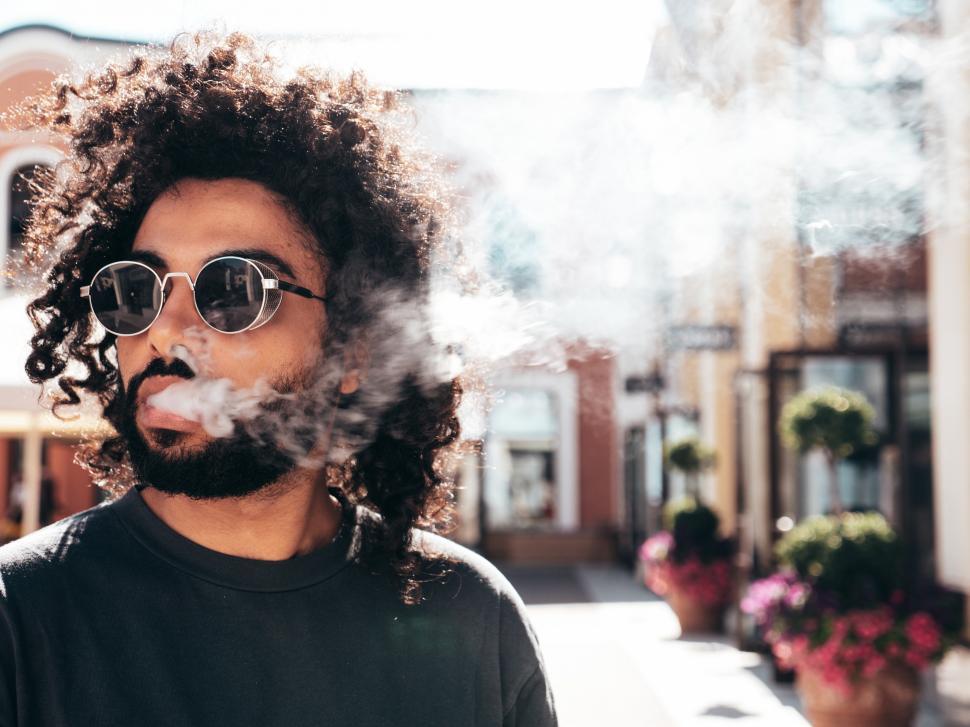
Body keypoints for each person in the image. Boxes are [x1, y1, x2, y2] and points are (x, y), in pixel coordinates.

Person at [0, 31, 558, 726]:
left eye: (233, 289)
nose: (165, 331)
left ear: (354, 350)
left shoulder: (469, 615)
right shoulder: (20, 617)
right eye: (135, 290)